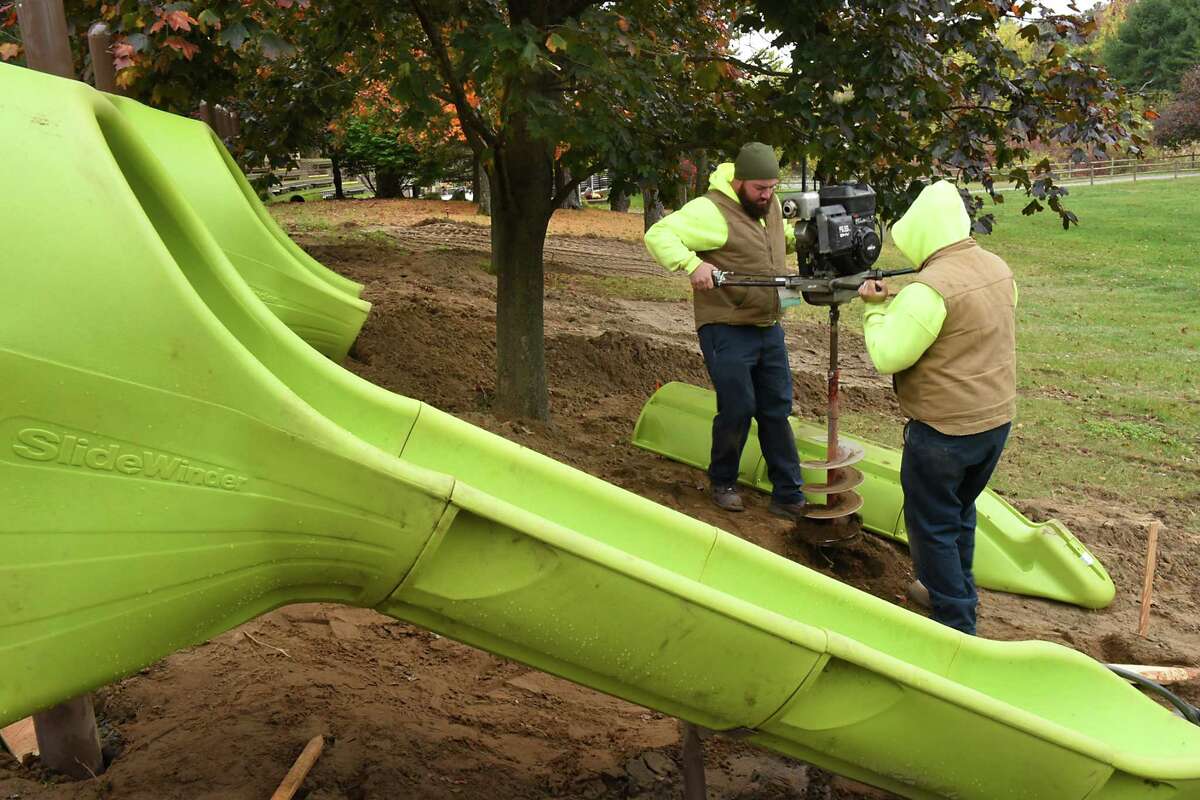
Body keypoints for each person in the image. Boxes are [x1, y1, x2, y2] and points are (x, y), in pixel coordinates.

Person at [857, 180, 1017, 635]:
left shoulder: (929, 290)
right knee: (960, 512)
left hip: (944, 432)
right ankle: (952, 589)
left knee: (931, 526)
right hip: (994, 420)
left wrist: (873, 310)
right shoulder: (998, 268)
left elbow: (887, 356)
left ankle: (955, 623)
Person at [643, 142, 806, 521]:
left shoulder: (770, 208)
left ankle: (788, 494)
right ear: (738, 182)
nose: (768, 196)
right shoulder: (711, 210)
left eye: (772, 187)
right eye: (760, 189)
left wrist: (806, 241)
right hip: (727, 326)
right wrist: (690, 264)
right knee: (738, 406)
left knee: (776, 409)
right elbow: (658, 235)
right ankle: (723, 482)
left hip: (768, 326)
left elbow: (771, 246)